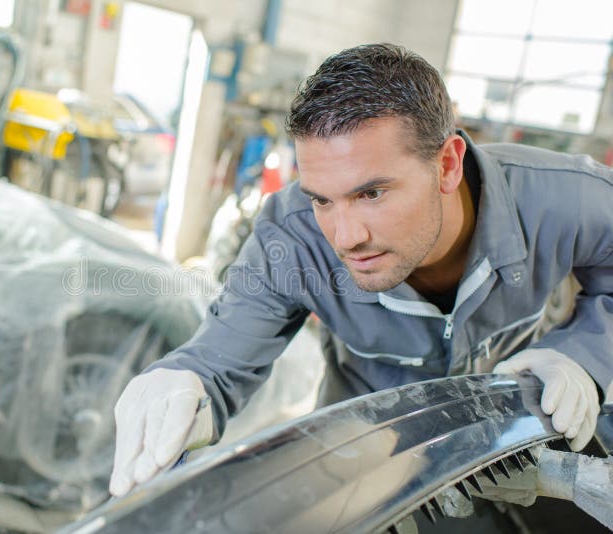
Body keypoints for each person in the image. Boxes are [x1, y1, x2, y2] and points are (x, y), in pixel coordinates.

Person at [109, 43, 613, 497]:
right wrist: (185, 383)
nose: (345, 237)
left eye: (370, 193)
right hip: (365, 459)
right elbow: (221, 354)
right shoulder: (293, 237)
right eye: (322, 200)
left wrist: (583, 355)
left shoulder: (566, 200)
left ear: (448, 164)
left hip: (515, 437)